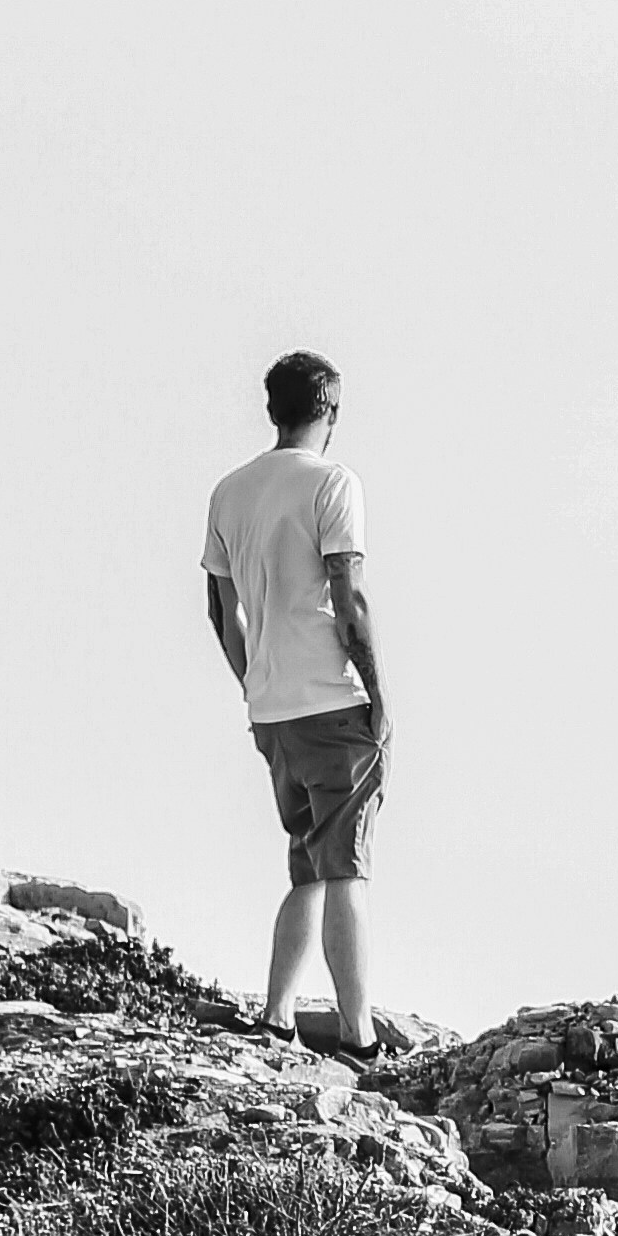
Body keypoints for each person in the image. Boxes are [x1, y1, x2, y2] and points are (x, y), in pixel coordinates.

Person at [202, 350, 389, 1057]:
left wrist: (253, 681)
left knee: (307, 862)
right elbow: (349, 597)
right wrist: (379, 692)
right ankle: (357, 1032)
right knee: (347, 865)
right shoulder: (334, 483)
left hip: (272, 706)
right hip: (332, 701)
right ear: (330, 410)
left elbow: (221, 609)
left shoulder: (230, 490)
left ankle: (278, 1011)